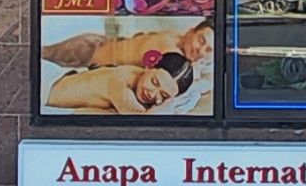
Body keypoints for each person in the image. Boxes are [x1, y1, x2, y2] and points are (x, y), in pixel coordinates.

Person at [44, 53, 192, 116]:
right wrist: (165, 105)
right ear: (149, 66)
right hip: (45, 87)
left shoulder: (138, 75)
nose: (153, 94)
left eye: (164, 95)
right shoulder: (121, 82)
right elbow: (142, 122)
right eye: (154, 82)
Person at [40, 22, 213, 71]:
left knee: (41, 56)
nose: (201, 50)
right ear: (191, 31)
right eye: (202, 41)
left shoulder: (176, 49)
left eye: (208, 50)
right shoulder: (173, 44)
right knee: (40, 54)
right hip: (90, 49)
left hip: (96, 55)